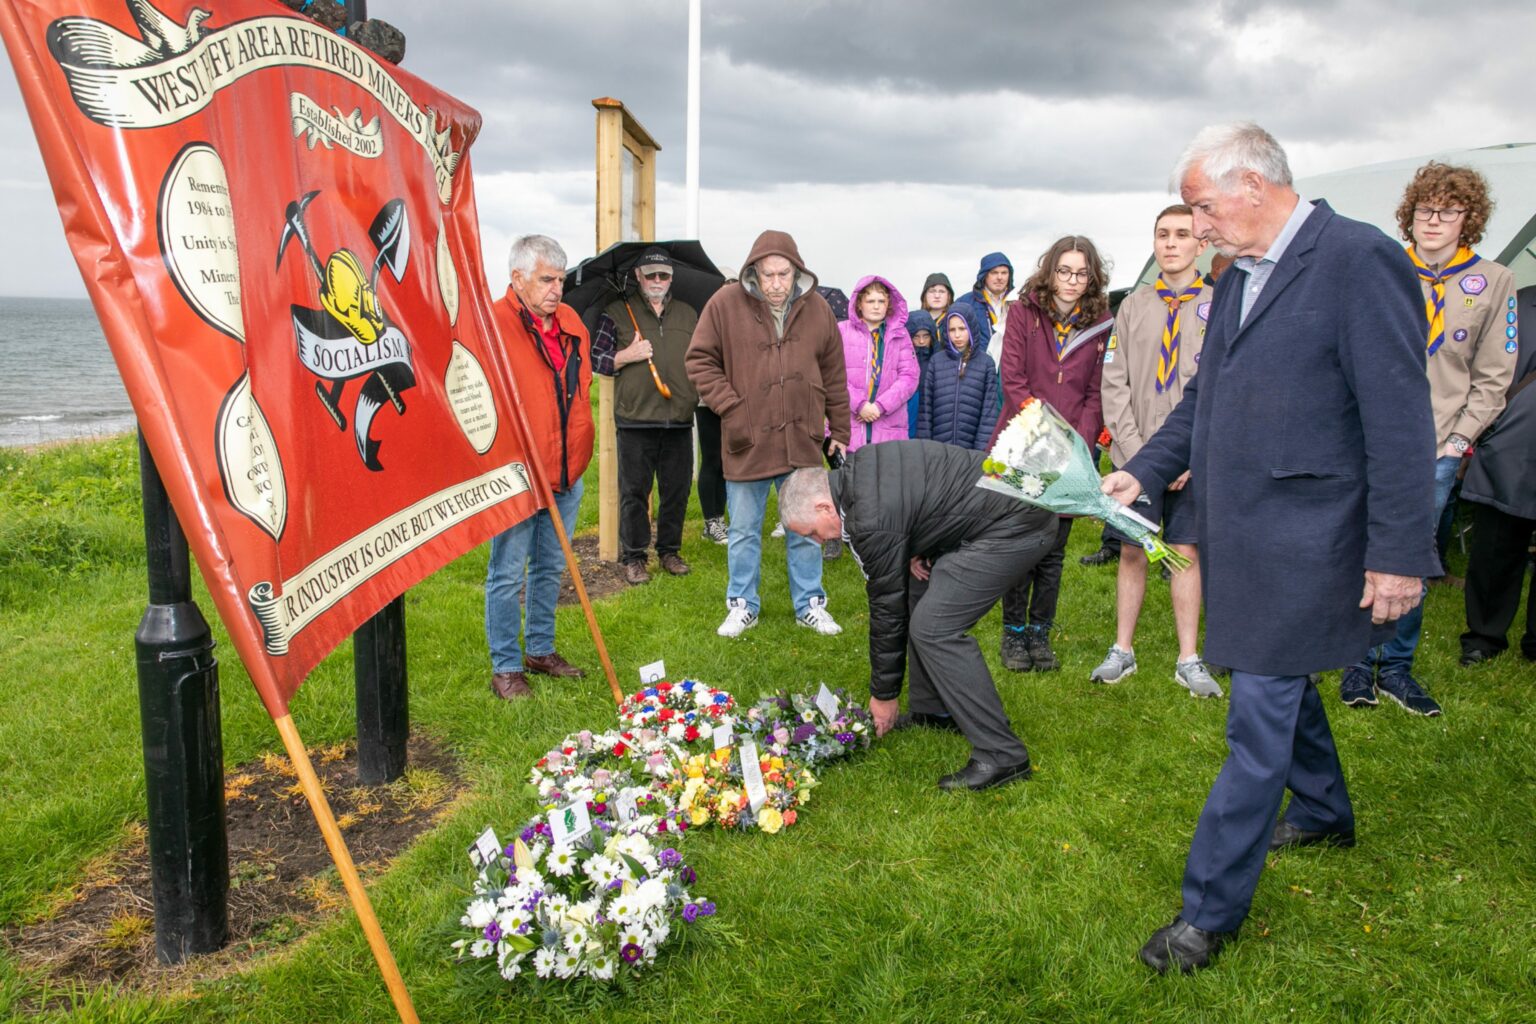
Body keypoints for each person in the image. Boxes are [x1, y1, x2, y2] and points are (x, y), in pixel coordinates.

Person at [1102, 123, 1437, 975]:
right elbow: (1202, 400)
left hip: (1313, 536)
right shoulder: (1236, 275)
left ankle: (1205, 915)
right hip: (1242, 530)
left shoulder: (1359, 259)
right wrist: (1143, 472)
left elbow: (1402, 420)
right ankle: (1322, 811)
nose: (1197, 225)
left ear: (1253, 184)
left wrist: (1400, 553)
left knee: (1258, 716)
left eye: (1202, 206)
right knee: (1272, 675)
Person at [1338, 161, 1518, 716]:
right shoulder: (1381, 269)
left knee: (1409, 555)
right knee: (1356, 546)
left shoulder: (1493, 281)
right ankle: (1353, 663)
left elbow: (1494, 376)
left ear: (1470, 219)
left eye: (1448, 211)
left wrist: (1459, 442)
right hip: (1366, 437)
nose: (1433, 220)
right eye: (1424, 209)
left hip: (1435, 444)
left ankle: (1395, 667)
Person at [777, 441, 1055, 790]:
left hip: (1020, 525)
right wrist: (918, 544)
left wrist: (884, 696)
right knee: (918, 586)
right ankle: (934, 709)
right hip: (1013, 506)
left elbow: (886, 609)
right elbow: (923, 499)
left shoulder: (869, 521)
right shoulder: (859, 472)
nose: (819, 541)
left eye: (812, 532)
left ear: (823, 506)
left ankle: (1003, 754)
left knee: (934, 628)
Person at [686, 230, 850, 638]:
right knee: (743, 530)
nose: (776, 284)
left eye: (784, 274)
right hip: (748, 440)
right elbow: (699, 359)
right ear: (753, 272)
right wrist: (731, 406)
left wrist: (840, 427)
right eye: (768, 275)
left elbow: (834, 372)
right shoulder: (724, 304)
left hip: (802, 439)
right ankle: (743, 605)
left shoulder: (818, 309)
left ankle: (810, 604)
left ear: (797, 272)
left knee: (805, 528)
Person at [1091, 205, 1220, 697]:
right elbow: (1114, 382)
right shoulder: (1132, 306)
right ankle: (1122, 649)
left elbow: (1219, 390)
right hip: (1136, 455)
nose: (1170, 243)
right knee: (1132, 549)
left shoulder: (1218, 305)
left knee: (1186, 551)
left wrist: (1186, 456)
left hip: (1195, 460)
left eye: (1182, 234)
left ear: (1201, 244)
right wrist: (1140, 459)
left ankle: (1189, 658)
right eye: (1162, 234)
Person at [994, 236, 1113, 672]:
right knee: (1019, 543)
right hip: (1024, 442)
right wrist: (1043, 433)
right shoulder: (1023, 313)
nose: (1072, 281)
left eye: (1082, 273)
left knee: (1054, 548)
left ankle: (1040, 633)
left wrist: (1077, 442)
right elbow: (1013, 379)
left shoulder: (1101, 322)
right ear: (1050, 271)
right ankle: (1013, 633)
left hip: (1071, 450)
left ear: (1092, 278)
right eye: (1065, 271)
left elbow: (1095, 393)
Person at [485, 234, 595, 700]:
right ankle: (506, 667)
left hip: (566, 470)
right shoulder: (491, 324)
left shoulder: (571, 322)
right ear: (517, 278)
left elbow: (580, 388)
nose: (557, 289)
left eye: (561, 280)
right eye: (547, 279)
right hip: (517, 474)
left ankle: (540, 649)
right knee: (508, 572)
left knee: (550, 566)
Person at [591, 247, 699, 585]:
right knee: (634, 493)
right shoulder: (616, 312)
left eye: (663, 275)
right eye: (650, 275)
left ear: (671, 278)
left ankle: (669, 551)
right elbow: (597, 359)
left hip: (679, 417)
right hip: (635, 419)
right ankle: (634, 557)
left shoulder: (688, 315)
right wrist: (628, 354)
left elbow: (704, 357)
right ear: (638, 276)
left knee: (676, 491)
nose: (657, 281)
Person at [1459, 284, 1532, 665]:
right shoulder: (1518, 303)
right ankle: (1483, 637)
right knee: (1496, 549)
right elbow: (1480, 369)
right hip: (1511, 449)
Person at [841, 276, 918, 452]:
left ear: (888, 304)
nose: (876, 306)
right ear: (859, 304)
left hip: (889, 429)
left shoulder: (900, 334)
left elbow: (910, 376)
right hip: (849, 427)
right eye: (870, 301)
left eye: (881, 301)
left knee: (886, 469)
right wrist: (859, 405)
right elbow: (832, 375)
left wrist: (880, 406)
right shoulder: (842, 331)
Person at [916, 304, 999, 451]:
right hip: (939, 451)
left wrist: (979, 453)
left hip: (971, 452)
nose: (957, 335)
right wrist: (926, 450)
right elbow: (926, 411)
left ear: (971, 328)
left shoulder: (986, 363)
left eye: (962, 329)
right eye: (952, 330)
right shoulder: (936, 362)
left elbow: (989, 414)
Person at [695, 264, 738, 546]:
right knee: (713, 460)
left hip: (737, 403)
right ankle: (712, 521)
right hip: (709, 402)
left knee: (731, 461)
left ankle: (727, 519)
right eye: (724, 288)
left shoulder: (744, 322)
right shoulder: (706, 322)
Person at [951, 253, 1013, 365]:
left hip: (1010, 366)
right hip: (976, 367)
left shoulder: (1018, 302)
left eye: (1004, 273)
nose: (1000, 277)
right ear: (984, 275)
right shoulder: (964, 303)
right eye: (994, 273)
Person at [904, 310, 938, 436]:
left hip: (932, 416)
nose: (922, 341)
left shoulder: (939, 359)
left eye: (926, 336)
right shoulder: (903, 359)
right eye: (916, 337)